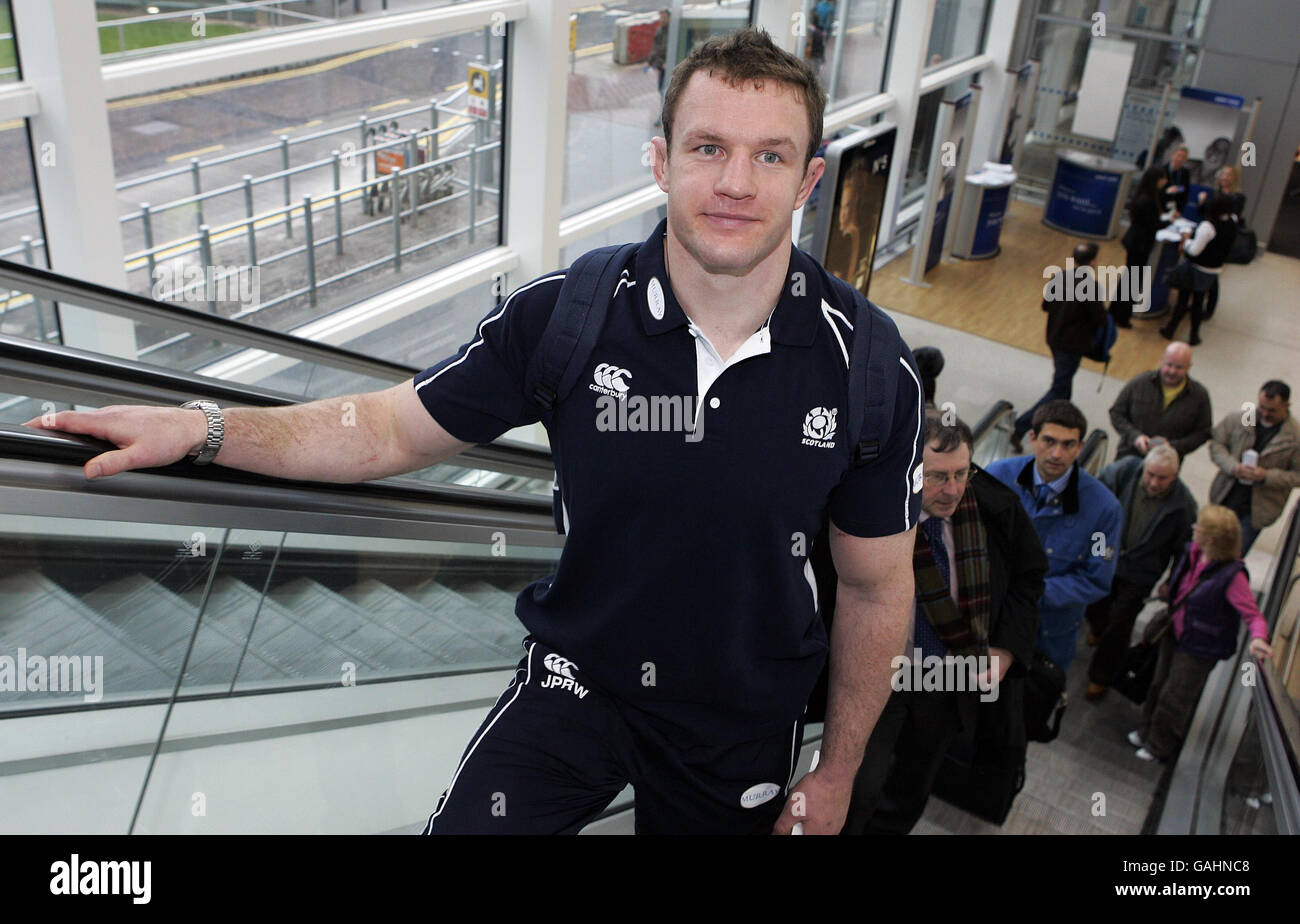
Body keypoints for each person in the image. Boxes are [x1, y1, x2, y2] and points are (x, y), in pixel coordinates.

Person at [28, 29, 925, 836]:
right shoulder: (569, 316)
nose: (734, 182)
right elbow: (382, 428)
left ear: (810, 178)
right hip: (574, 687)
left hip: (738, 725)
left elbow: (876, 589)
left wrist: (839, 768)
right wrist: (206, 426)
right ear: (661, 162)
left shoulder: (869, 372)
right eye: (708, 148)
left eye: (769, 156)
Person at [844, 411, 1045, 834]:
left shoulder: (996, 509)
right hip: (877, 676)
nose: (953, 490)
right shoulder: (868, 506)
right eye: (936, 477)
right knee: (859, 786)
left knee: (912, 787)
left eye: (962, 473)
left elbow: (1029, 577)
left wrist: (1005, 648)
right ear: (909, 467)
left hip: (950, 683)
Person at [986, 400, 1122, 671]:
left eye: (1068, 444)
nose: (1057, 453)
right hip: (985, 625)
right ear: (1032, 438)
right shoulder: (995, 479)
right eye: (1049, 441)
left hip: (1045, 643)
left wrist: (1029, 593)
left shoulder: (1105, 510)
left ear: (1081, 447)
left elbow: (1095, 579)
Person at [1130, 506, 1272, 761]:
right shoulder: (1193, 552)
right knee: (1159, 684)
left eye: (1199, 528)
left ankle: (1159, 745)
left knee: (1176, 696)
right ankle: (1146, 731)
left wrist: (1259, 638)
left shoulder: (1233, 577)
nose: (1193, 530)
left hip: (1200, 646)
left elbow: (1252, 614)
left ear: (1211, 539)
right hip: (1176, 631)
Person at [1083, 442, 1197, 701]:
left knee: (1121, 625)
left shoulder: (1184, 505)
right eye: (1151, 475)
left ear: (1175, 476)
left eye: (1162, 478)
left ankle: (1100, 676)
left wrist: (1173, 581)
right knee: (1095, 605)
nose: (1155, 482)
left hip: (1141, 573)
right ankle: (1098, 627)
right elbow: (1095, 492)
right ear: (1144, 468)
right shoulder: (1125, 471)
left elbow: (1184, 550)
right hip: (1106, 557)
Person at [1011, 242, 1106, 451]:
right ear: (1092, 262)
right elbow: (1100, 318)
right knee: (1058, 389)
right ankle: (1021, 426)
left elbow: (1045, 305)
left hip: (1055, 338)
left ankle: (1062, 420)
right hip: (1073, 345)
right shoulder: (1090, 286)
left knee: (1063, 388)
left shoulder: (1059, 277)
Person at [1208, 380, 1300, 556]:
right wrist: (1233, 467)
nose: (1265, 413)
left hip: (1257, 510)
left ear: (1287, 406)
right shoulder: (1244, 418)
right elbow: (1217, 444)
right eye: (1262, 407)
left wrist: (1266, 476)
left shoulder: (1295, 438)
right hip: (1225, 496)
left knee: (1232, 557)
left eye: (1271, 410)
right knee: (1203, 547)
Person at [1108, 341, 1212, 460]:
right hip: (1128, 455)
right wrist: (1135, 437)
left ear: (1189, 366)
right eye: (1169, 364)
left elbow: (1203, 433)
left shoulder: (1199, 396)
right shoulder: (1140, 383)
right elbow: (1116, 412)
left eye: (1179, 367)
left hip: (1167, 464)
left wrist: (1173, 447)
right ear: (1162, 360)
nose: (1172, 371)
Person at [1159, 193, 1236, 346]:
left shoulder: (1208, 226)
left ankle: (1170, 329)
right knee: (1198, 303)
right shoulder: (1232, 221)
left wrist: (1186, 240)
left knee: (1183, 301)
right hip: (1213, 270)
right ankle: (1194, 336)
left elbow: (1194, 251)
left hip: (1196, 269)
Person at [1110, 166, 1171, 327]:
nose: (1165, 181)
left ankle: (1115, 312)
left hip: (1136, 242)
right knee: (1133, 281)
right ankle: (1122, 316)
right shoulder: (1148, 200)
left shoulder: (1144, 196)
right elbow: (1152, 224)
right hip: (1140, 244)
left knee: (1129, 278)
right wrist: (1168, 222)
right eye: (1163, 178)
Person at [1197, 166, 1246, 320]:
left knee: (1213, 274)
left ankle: (1209, 308)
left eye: (1228, 175)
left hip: (1220, 240)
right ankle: (1197, 303)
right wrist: (1202, 202)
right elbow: (1205, 212)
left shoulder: (1238, 198)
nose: (1225, 178)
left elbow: (1231, 217)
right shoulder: (1214, 193)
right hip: (1207, 236)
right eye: (1223, 174)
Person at [647, 9, 671, 111]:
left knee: (667, 90)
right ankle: (663, 112)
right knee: (661, 89)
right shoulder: (660, 31)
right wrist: (651, 61)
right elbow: (656, 47)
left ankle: (666, 113)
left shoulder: (673, 31)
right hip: (662, 65)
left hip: (670, 64)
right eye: (661, 17)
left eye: (664, 17)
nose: (662, 19)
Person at [1161, 144, 1191, 215]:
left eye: (1183, 157)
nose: (1180, 159)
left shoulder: (1185, 173)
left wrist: (1179, 211)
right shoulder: (1162, 170)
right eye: (1178, 155)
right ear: (1173, 155)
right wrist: (1167, 191)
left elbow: (1185, 192)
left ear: (1186, 160)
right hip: (1160, 207)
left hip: (1175, 210)